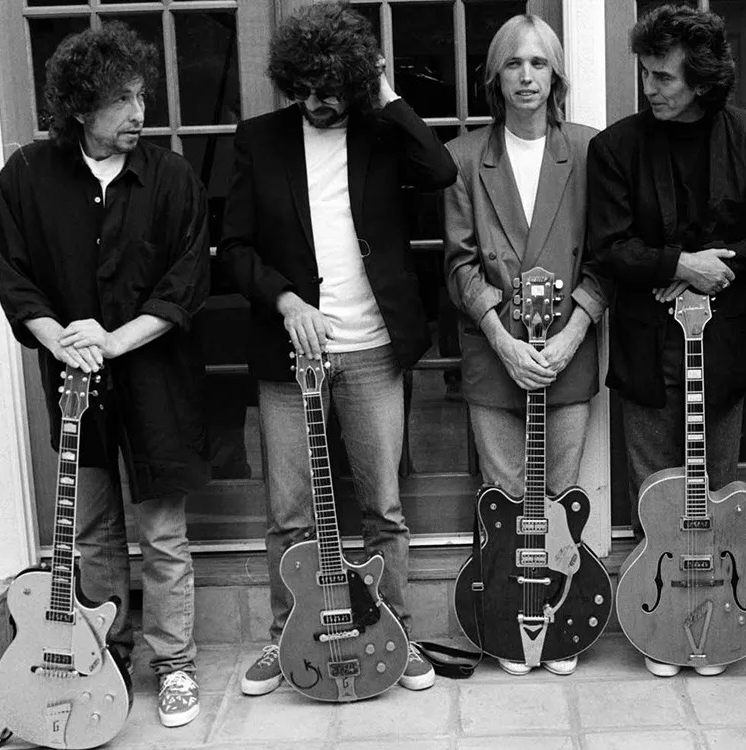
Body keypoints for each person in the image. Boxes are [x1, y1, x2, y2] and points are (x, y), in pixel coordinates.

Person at [217, 0, 457, 696]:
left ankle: (396, 633)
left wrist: (383, 91)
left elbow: (440, 171)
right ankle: (284, 641)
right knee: (287, 513)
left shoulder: (383, 133)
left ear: (352, 81)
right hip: (290, 356)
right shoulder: (258, 138)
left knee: (384, 508)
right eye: (303, 89)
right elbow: (233, 249)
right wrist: (287, 301)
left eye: (330, 89)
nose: (315, 103)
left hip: (373, 349)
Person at [0, 23, 211, 729]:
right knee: (91, 535)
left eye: (141, 95)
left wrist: (111, 341)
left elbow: (186, 284)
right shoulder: (26, 176)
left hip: (155, 385)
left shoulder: (171, 176)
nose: (138, 113)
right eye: (121, 100)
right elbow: (14, 276)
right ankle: (107, 659)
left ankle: (175, 666)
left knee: (165, 535)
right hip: (74, 390)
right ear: (81, 107)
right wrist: (63, 341)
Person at [585, 3, 746, 679]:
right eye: (645, 73)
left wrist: (715, 269)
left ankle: (719, 620)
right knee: (655, 488)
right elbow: (609, 247)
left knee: (718, 488)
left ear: (704, 78)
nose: (651, 87)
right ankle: (659, 623)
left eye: (665, 76)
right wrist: (680, 266)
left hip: (723, 342)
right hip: (648, 347)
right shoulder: (614, 147)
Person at [442, 14, 609, 677]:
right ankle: (512, 624)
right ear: (495, 76)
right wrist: (500, 335)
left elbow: (605, 258)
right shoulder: (461, 159)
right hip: (493, 356)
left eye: (539, 63)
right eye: (514, 63)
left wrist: (572, 333)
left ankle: (561, 618)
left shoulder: (593, 153)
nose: (527, 76)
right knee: (505, 494)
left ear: (557, 75)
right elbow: (458, 265)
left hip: (568, 354)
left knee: (560, 494)